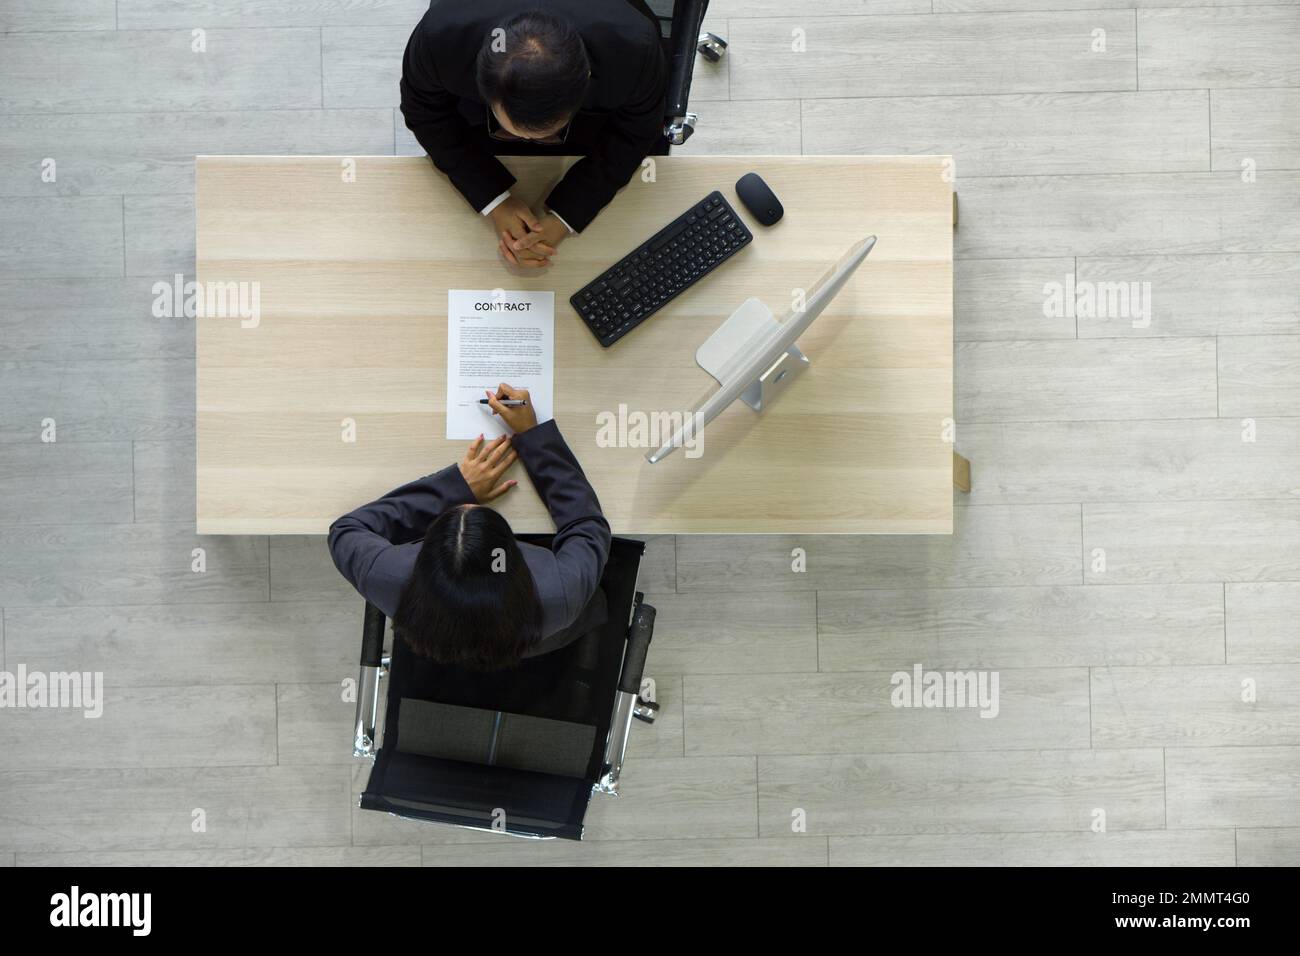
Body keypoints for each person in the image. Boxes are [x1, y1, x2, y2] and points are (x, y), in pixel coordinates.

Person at [327, 385, 611, 671]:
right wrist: (533, 437)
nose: (469, 504)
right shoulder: (562, 591)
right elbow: (586, 525)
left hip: (441, 644)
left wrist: (456, 489)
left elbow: (346, 530)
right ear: (510, 553)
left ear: (420, 555)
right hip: (538, 643)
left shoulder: (387, 574)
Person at [399, 0, 666, 270]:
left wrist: (566, 215)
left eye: (543, 135)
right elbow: (424, 112)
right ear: (483, 86)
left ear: (586, 81)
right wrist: (494, 199)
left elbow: (638, 130)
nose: (529, 143)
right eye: (517, 131)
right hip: (480, 122)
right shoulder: (440, 38)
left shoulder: (634, 49)